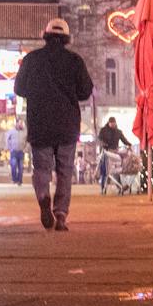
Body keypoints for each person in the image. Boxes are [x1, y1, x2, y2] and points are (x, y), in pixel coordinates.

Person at [13, 17, 94, 231]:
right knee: (65, 170)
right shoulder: (75, 61)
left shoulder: (31, 60)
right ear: (67, 38)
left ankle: (42, 197)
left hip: (40, 124)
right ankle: (60, 215)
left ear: (46, 36)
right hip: (67, 125)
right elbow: (86, 91)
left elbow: (19, 89)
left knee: (42, 168)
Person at [96, 117, 132, 194]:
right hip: (106, 152)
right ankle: (103, 188)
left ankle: (119, 186)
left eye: (113, 123)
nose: (112, 124)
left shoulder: (118, 132)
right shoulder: (103, 130)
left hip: (115, 152)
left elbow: (124, 140)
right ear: (109, 123)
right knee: (104, 172)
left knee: (115, 170)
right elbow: (99, 139)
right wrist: (103, 144)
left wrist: (129, 144)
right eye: (111, 123)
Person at [7, 120, 26, 186]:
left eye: (22, 123)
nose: (21, 124)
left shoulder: (24, 132)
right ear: (16, 123)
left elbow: (27, 141)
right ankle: (14, 179)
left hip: (21, 151)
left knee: (21, 167)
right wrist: (10, 148)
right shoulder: (11, 131)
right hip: (14, 151)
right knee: (14, 165)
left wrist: (25, 149)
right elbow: (7, 139)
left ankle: (19, 180)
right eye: (20, 123)